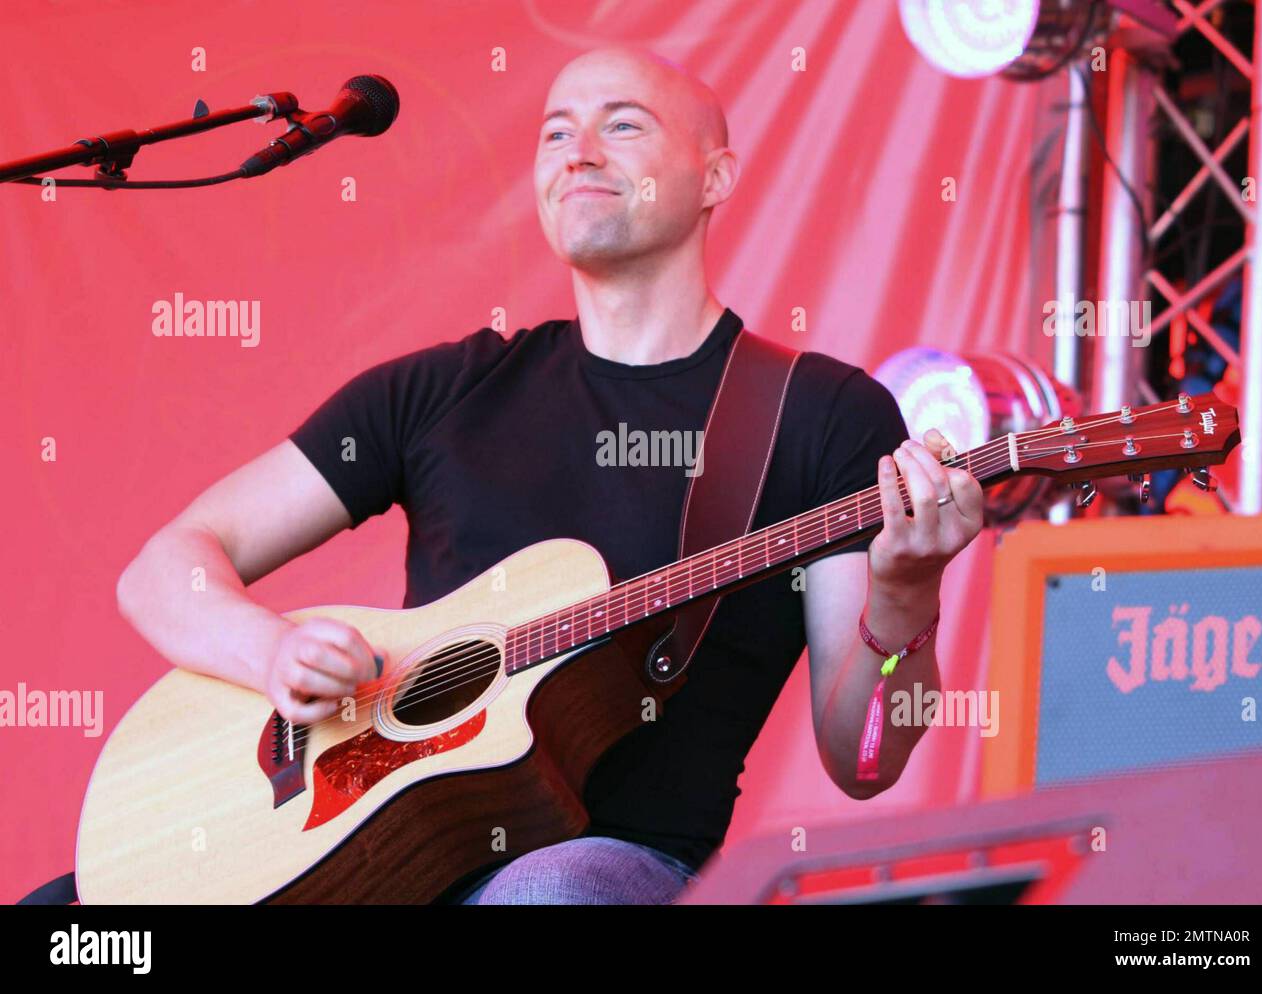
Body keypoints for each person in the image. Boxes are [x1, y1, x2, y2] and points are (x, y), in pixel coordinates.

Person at [116, 46, 984, 905]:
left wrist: (906, 592)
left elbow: (868, 762)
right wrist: (273, 653)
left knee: (551, 892)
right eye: (555, 132)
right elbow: (164, 569)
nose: (579, 151)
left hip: (609, 866)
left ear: (715, 177)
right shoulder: (441, 390)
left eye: (623, 124)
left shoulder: (821, 415)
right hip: (373, 854)